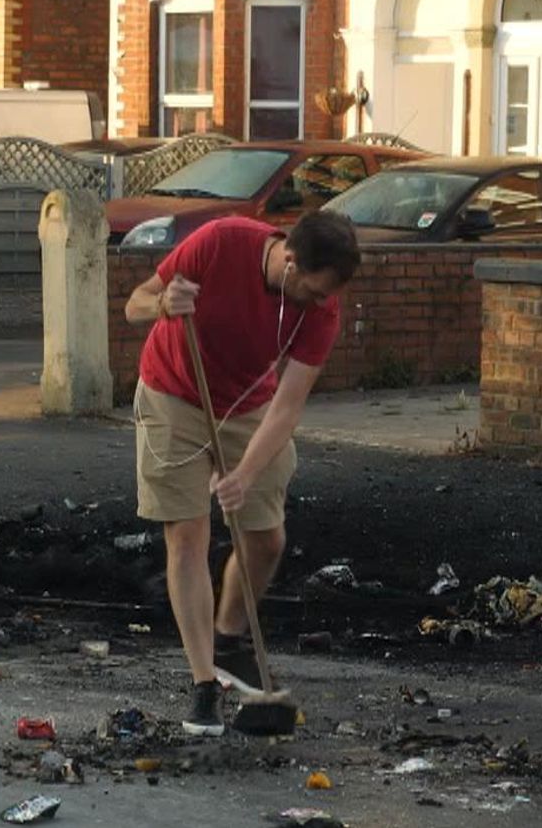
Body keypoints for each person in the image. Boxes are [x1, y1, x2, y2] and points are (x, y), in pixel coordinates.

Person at [125, 211, 360, 736]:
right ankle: (204, 684)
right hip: (173, 395)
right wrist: (164, 305)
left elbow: (288, 406)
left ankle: (229, 638)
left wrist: (245, 474)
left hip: (251, 406)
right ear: (290, 259)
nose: (321, 304)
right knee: (188, 535)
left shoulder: (322, 309)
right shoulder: (220, 241)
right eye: (314, 292)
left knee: (267, 540)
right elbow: (134, 303)